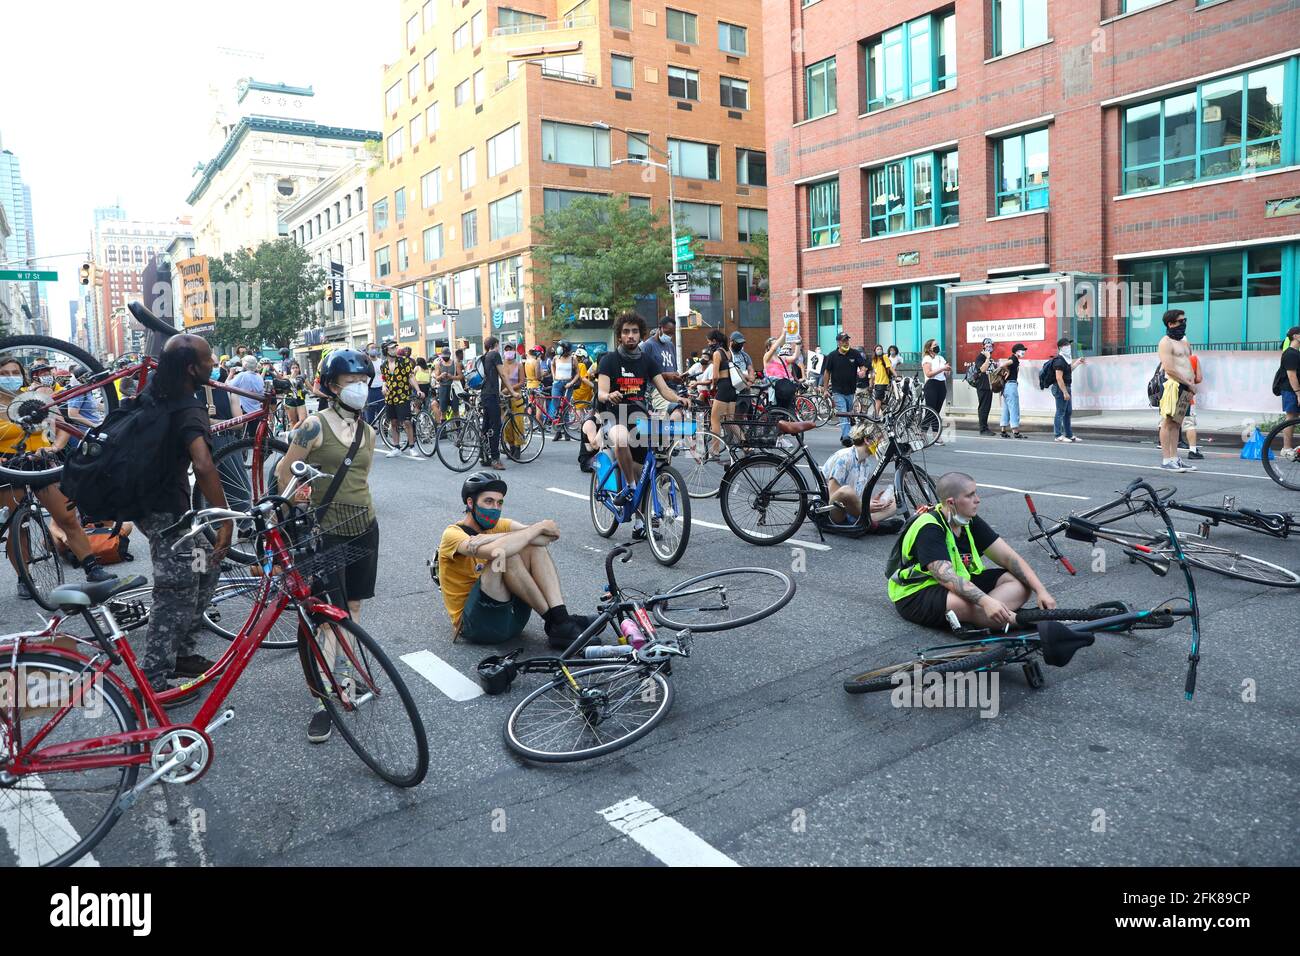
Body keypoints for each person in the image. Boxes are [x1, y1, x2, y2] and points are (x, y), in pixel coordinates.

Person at [275, 349, 380, 743]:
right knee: (329, 616)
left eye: (363, 382)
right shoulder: (313, 427)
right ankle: (324, 699)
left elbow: (364, 479)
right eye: (351, 382)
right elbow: (286, 470)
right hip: (326, 531)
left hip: (365, 527)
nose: (359, 389)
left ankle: (347, 676)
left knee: (352, 608)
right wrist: (291, 507)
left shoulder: (367, 431)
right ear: (331, 386)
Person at [136, 335, 233, 706]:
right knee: (175, 589)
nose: (214, 363)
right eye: (209, 359)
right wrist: (225, 519)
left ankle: (182, 653)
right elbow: (204, 466)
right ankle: (154, 680)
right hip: (162, 511)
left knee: (206, 566)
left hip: (164, 507)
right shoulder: (187, 408)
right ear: (193, 368)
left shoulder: (155, 391)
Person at [0, 359, 117, 598]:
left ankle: (92, 569)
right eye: (3, 373)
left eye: (14, 372)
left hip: (40, 460)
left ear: (22, 375)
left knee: (66, 517)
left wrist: (55, 447)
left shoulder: (34, 397)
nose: (10, 376)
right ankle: (25, 578)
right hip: (8, 465)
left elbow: (62, 424)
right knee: (18, 526)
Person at [438, 472, 592, 649]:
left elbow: (548, 536)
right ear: (470, 503)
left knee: (531, 546)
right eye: (488, 501)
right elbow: (498, 551)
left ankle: (560, 619)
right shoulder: (452, 534)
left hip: (512, 620)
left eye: (499, 502)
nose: (495, 507)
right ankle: (559, 624)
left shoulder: (499, 526)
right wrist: (529, 532)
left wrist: (503, 535)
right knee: (505, 554)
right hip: (477, 626)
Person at [889, 471, 1058, 630]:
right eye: (970, 495)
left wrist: (1041, 590)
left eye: (975, 493)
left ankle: (985, 617)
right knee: (965, 605)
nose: (977, 500)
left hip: (957, 583)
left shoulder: (967, 519)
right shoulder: (929, 527)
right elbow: (946, 576)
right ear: (951, 502)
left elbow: (1008, 558)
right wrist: (986, 601)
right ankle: (1023, 620)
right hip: (916, 593)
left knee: (1021, 584)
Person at [596, 313, 687, 525]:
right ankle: (629, 486)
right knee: (620, 439)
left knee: (644, 469)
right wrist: (609, 395)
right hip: (614, 414)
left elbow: (664, 390)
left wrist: (680, 399)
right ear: (619, 336)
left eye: (635, 331)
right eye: (626, 332)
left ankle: (639, 521)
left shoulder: (648, 361)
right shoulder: (609, 360)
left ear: (641, 334)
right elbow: (601, 392)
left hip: (639, 417)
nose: (630, 336)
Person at [821, 422, 901, 528]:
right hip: (833, 511)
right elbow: (835, 497)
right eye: (879, 439)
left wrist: (872, 502)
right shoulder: (844, 457)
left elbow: (857, 497)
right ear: (867, 440)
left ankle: (868, 521)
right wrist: (866, 507)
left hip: (851, 510)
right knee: (846, 491)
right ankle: (871, 522)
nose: (881, 444)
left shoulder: (866, 464)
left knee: (895, 501)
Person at [1154, 310, 1198, 471]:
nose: (1184, 323)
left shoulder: (1184, 342)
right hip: (1173, 385)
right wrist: (1189, 383)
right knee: (1168, 423)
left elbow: (1188, 362)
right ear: (1171, 324)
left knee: (1177, 423)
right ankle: (1167, 460)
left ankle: (1175, 458)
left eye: (1184, 320)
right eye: (1180, 321)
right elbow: (1170, 369)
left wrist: (1192, 383)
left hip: (1186, 386)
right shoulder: (1165, 342)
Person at [480, 336, 517, 470]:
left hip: (485, 393)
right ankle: (495, 459)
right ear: (495, 345)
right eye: (498, 345)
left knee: (486, 426)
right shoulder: (494, 355)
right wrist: (512, 392)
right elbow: (503, 374)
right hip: (491, 394)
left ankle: (484, 456)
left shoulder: (484, 356)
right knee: (495, 426)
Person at [824, 332, 868, 446]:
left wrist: (863, 371)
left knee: (848, 414)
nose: (846, 342)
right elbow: (827, 372)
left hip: (851, 390)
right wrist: (825, 389)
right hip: (837, 390)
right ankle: (846, 437)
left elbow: (862, 365)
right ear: (838, 342)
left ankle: (847, 433)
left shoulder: (854, 353)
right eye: (844, 340)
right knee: (843, 412)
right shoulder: (832, 356)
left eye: (847, 340)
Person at [642, 318, 683, 417]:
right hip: (656, 391)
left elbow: (673, 369)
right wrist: (667, 376)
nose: (669, 336)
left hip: (672, 389)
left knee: (686, 410)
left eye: (672, 333)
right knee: (675, 412)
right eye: (668, 332)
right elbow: (644, 373)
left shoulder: (670, 345)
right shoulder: (648, 346)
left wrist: (677, 377)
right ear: (660, 328)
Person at [1050, 337, 1085, 444]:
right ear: (1061, 348)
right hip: (1061, 388)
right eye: (1066, 345)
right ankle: (1058, 435)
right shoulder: (1060, 360)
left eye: (1069, 345)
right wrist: (1065, 392)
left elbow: (1068, 371)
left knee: (1067, 412)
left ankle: (1069, 434)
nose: (1069, 347)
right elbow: (1059, 377)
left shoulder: (1066, 359)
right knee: (1060, 411)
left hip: (1066, 387)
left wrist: (1078, 362)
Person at [228, 355, 267, 438]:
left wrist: (231, 374)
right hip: (257, 410)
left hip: (245, 410)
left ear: (245, 365)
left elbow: (227, 385)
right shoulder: (259, 377)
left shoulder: (242, 375)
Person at [1277, 325, 1300, 459]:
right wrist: (1298, 393)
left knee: (1293, 417)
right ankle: (1286, 448)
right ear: (1296, 336)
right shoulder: (1290, 354)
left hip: (1294, 390)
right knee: (1291, 417)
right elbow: (1291, 376)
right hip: (1290, 390)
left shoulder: (1296, 353)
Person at [921, 339, 949, 446]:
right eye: (935, 345)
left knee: (936, 411)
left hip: (941, 384)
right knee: (930, 410)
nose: (937, 347)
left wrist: (947, 370)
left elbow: (946, 373)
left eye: (937, 344)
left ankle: (935, 435)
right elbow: (928, 373)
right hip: (931, 385)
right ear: (929, 348)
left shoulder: (941, 358)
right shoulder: (927, 358)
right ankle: (922, 433)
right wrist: (942, 368)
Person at [548, 340, 579, 434]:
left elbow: (577, 374)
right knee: (557, 405)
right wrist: (554, 376)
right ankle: (558, 430)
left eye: (561, 346)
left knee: (565, 407)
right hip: (557, 384)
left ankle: (566, 432)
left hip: (568, 384)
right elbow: (552, 366)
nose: (558, 348)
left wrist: (571, 383)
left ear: (566, 349)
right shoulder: (556, 358)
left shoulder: (573, 359)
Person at [998, 344, 1026, 439]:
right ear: (1016, 351)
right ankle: (1015, 431)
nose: (1024, 352)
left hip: (1006, 386)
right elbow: (1003, 365)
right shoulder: (1013, 359)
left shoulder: (1014, 359)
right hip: (1011, 385)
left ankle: (1003, 430)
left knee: (1006, 408)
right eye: (1022, 350)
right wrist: (1008, 372)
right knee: (1014, 408)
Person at [974, 337, 995, 435]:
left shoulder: (990, 357)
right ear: (983, 347)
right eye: (987, 346)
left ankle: (985, 427)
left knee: (987, 408)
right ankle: (983, 429)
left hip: (989, 386)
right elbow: (982, 369)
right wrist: (987, 357)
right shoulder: (980, 357)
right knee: (983, 408)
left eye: (991, 346)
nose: (989, 348)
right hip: (982, 386)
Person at [434, 347, 460, 420]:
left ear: (450, 355)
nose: (445, 357)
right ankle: (444, 430)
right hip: (443, 388)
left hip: (453, 388)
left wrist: (452, 377)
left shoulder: (455, 364)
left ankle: (458, 430)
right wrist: (441, 376)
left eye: (447, 356)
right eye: (444, 356)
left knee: (456, 411)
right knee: (443, 411)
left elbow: (461, 376)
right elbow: (436, 378)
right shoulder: (438, 364)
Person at [869, 344, 894, 416]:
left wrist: (896, 375)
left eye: (880, 349)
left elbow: (890, 367)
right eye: (877, 349)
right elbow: (873, 372)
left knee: (878, 399)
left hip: (883, 382)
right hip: (877, 383)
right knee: (881, 400)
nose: (879, 350)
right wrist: (871, 383)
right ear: (875, 351)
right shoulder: (874, 360)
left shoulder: (885, 357)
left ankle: (875, 415)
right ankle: (885, 416)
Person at [283, 360, 308, 428]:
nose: (295, 369)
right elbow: (285, 384)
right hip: (290, 401)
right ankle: (293, 436)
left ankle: (293, 433)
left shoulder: (302, 378)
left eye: (296, 367)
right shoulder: (287, 377)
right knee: (292, 421)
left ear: (299, 368)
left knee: (303, 420)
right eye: (293, 368)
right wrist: (293, 375)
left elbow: (312, 388)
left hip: (300, 401)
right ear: (290, 369)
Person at [365, 342, 385, 425]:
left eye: (375, 348)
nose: (374, 350)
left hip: (381, 390)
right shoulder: (365, 362)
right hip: (370, 390)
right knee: (370, 415)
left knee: (383, 414)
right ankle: (370, 430)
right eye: (371, 348)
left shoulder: (382, 362)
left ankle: (384, 432)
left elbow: (385, 376)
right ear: (367, 351)